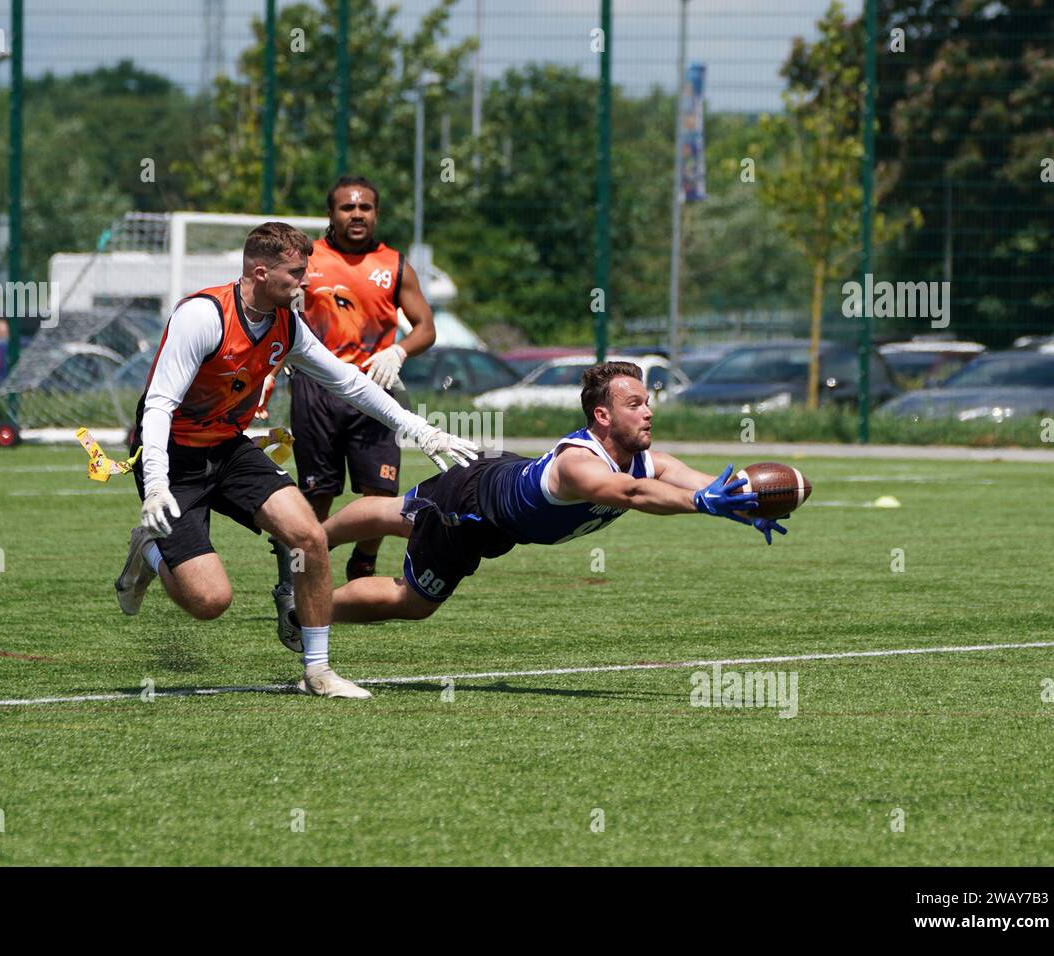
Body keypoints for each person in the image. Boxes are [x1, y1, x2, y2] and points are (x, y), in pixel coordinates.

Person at [114, 222, 477, 699]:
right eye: (297, 273)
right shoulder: (203, 316)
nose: (306, 282)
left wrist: (420, 429)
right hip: (175, 459)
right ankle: (150, 548)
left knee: (308, 535)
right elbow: (159, 403)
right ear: (260, 273)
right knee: (209, 601)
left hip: (228, 447)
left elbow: (347, 381)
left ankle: (318, 671)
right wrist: (156, 482)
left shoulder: (286, 321)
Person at [274, 362, 788, 631]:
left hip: (498, 492)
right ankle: (308, 606)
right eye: (635, 404)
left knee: (399, 513)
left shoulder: (648, 458)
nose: (648, 412)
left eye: (648, 402)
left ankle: (307, 550)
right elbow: (631, 493)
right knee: (414, 597)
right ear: (603, 416)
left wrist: (740, 502)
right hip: (470, 506)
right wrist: (702, 505)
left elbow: (700, 482)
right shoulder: (578, 465)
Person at [262, 175, 438, 582]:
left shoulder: (395, 264)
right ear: (331, 214)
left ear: (375, 214)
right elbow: (276, 315)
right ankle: (299, 575)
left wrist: (399, 350)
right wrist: (270, 373)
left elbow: (425, 327)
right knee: (318, 491)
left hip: (376, 389)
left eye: (365, 207)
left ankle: (362, 563)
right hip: (316, 390)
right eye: (347, 207)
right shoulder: (307, 259)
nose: (356, 214)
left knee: (381, 491)